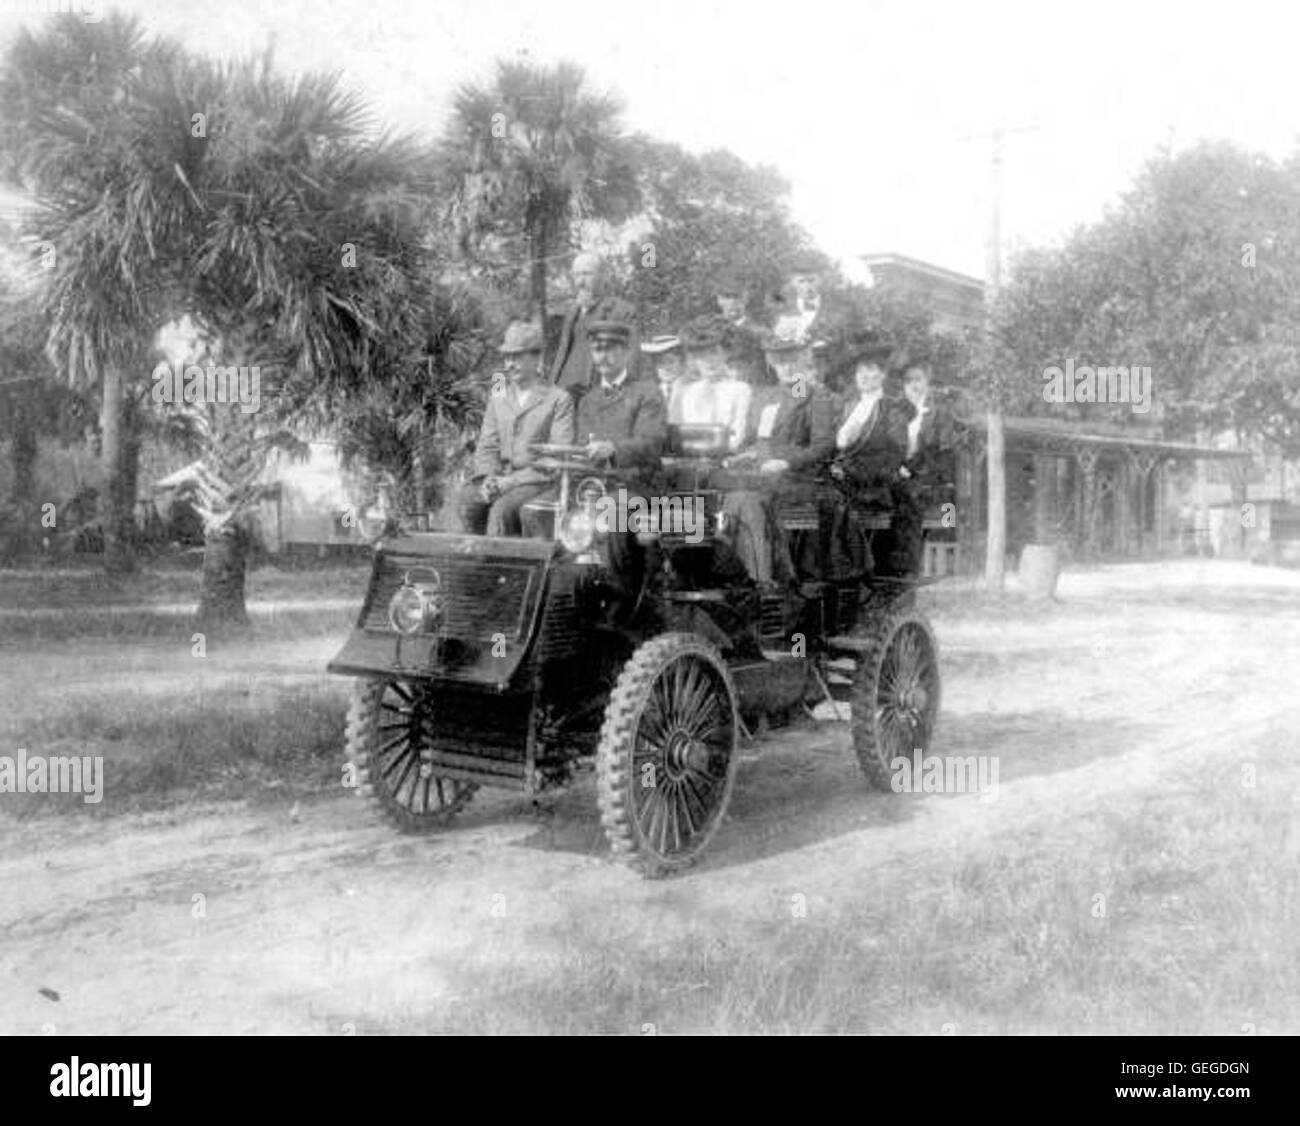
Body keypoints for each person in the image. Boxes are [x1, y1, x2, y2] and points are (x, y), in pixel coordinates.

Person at [719, 335, 838, 588]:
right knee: (719, 497)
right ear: (771, 363)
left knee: (746, 500)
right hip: (760, 476)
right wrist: (742, 456)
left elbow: (823, 445)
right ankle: (726, 572)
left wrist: (785, 462)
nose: (786, 368)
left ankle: (761, 579)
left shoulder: (815, 396)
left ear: (802, 361)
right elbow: (753, 439)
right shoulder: (765, 395)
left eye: (791, 361)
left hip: (797, 480)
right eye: (779, 362)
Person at [460, 321, 575, 536]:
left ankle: (504, 569)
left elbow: (556, 459)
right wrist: (488, 479)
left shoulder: (558, 399)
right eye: (507, 357)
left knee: (501, 512)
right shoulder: (499, 394)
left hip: (536, 482)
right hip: (499, 478)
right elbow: (487, 445)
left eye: (517, 356)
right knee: (468, 501)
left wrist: (511, 482)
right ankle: (475, 566)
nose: (510, 364)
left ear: (536, 357)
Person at [831, 344, 914, 574]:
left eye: (872, 370)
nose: (865, 376)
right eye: (860, 372)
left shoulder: (892, 408)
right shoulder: (847, 406)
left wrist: (854, 472)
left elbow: (897, 452)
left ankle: (856, 567)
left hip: (873, 481)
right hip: (842, 476)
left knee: (839, 504)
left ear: (883, 375)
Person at [673, 314, 752, 453]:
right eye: (701, 355)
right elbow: (676, 436)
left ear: (726, 353)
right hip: (687, 460)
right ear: (694, 358)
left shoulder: (740, 390)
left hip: (724, 461)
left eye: (714, 353)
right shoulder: (685, 392)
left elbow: (736, 438)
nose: (709, 361)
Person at [548, 251, 603, 400]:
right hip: (563, 393)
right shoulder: (572, 313)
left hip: (591, 393)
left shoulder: (613, 311)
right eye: (577, 275)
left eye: (587, 274)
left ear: (600, 276)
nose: (581, 281)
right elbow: (562, 352)